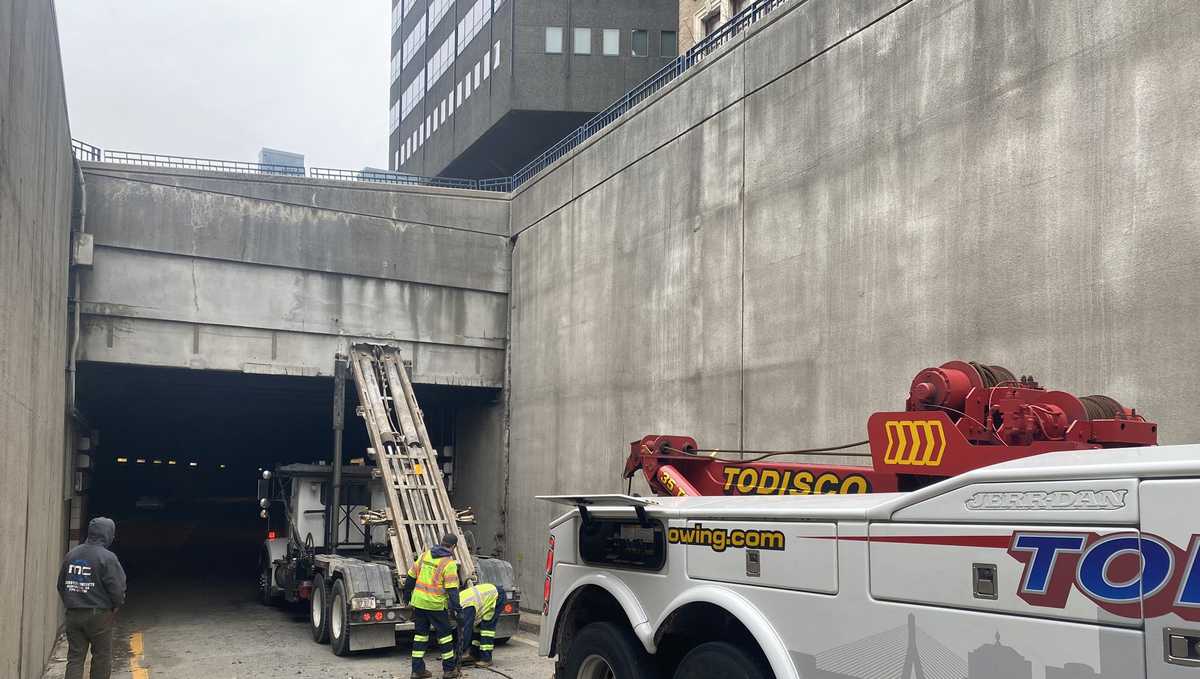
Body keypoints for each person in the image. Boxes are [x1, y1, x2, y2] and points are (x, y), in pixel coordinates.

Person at [57, 517, 127, 679]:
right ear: (108, 534)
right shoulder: (107, 558)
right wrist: (116, 605)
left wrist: (72, 601)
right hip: (99, 615)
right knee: (101, 658)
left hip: (73, 614)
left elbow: (61, 585)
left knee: (75, 658)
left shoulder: (71, 555)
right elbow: (117, 588)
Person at [404, 533, 462, 679]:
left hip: (419, 603)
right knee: (445, 637)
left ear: (441, 542)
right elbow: (452, 590)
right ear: (454, 547)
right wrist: (457, 610)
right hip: (435, 605)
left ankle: (417, 670)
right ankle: (449, 670)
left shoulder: (425, 555)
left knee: (420, 636)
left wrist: (407, 593)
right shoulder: (449, 564)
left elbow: (411, 575)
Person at [458, 582, 505, 667]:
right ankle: (474, 655)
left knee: (487, 629)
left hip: (496, 597)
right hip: (487, 597)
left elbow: (466, 631)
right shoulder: (458, 600)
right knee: (477, 627)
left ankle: (487, 659)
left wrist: (458, 652)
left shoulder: (466, 606)